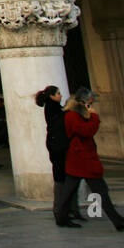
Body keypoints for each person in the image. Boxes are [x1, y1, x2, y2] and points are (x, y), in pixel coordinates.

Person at [54, 88, 124, 231]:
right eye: (89, 101)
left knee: (69, 191)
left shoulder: (75, 115)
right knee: (99, 191)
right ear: (82, 102)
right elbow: (86, 131)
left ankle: (61, 218)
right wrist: (94, 117)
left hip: (80, 159)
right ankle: (118, 221)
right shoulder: (72, 116)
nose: (91, 104)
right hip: (82, 159)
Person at [37, 85, 81, 223]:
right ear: (51, 96)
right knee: (62, 178)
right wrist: (68, 109)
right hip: (58, 147)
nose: (61, 95)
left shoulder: (55, 108)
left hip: (59, 145)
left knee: (69, 177)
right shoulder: (52, 108)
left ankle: (70, 209)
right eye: (58, 93)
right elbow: (61, 123)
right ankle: (61, 210)